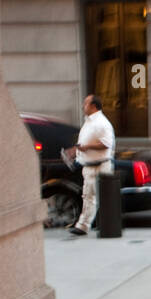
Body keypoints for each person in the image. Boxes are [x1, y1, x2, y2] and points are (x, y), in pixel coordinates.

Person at [62, 94, 115, 237]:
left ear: (93, 106)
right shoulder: (90, 122)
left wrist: (86, 147)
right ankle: (96, 225)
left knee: (91, 197)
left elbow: (106, 144)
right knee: (91, 197)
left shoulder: (102, 123)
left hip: (98, 166)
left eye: (85, 104)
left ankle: (84, 226)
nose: (82, 106)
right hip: (90, 166)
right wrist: (76, 151)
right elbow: (86, 143)